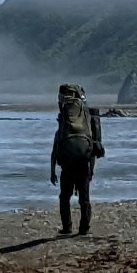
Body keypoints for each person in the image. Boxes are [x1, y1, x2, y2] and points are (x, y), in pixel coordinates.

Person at [49, 82, 104, 237]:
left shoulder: (64, 124)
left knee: (64, 197)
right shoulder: (86, 120)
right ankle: (84, 228)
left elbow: (55, 149)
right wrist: (92, 169)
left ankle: (67, 227)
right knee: (84, 198)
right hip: (84, 163)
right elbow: (93, 148)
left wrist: (52, 171)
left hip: (67, 164)